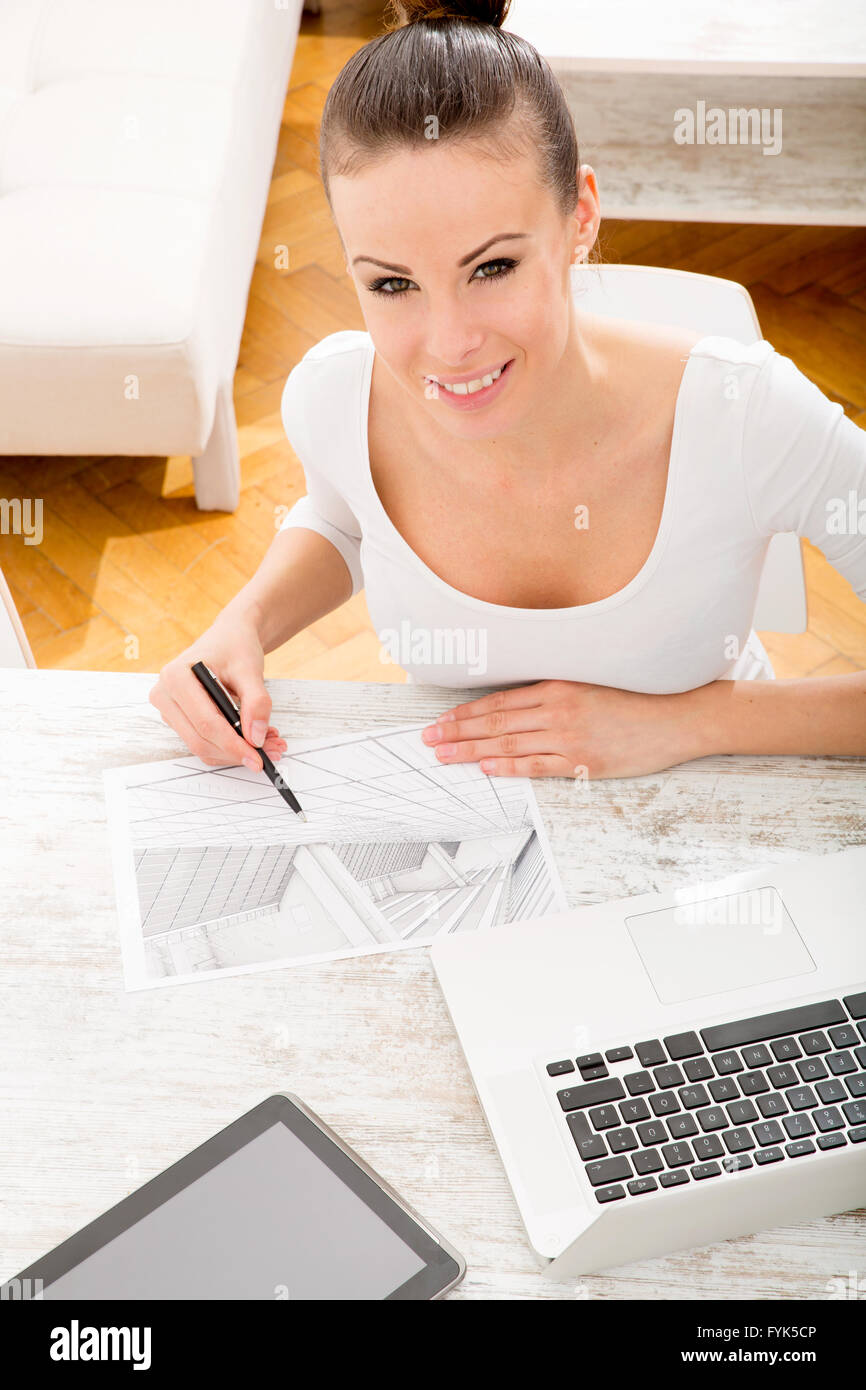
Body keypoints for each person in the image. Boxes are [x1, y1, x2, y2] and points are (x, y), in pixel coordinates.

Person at [150, 0, 866, 781]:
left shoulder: (748, 415)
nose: (450, 344)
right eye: (393, 283)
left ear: (580, 216)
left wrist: (690, 723)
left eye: (492, 267)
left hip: (724, 818)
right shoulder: (334, 400)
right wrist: (244, 621)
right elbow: (343, 518)